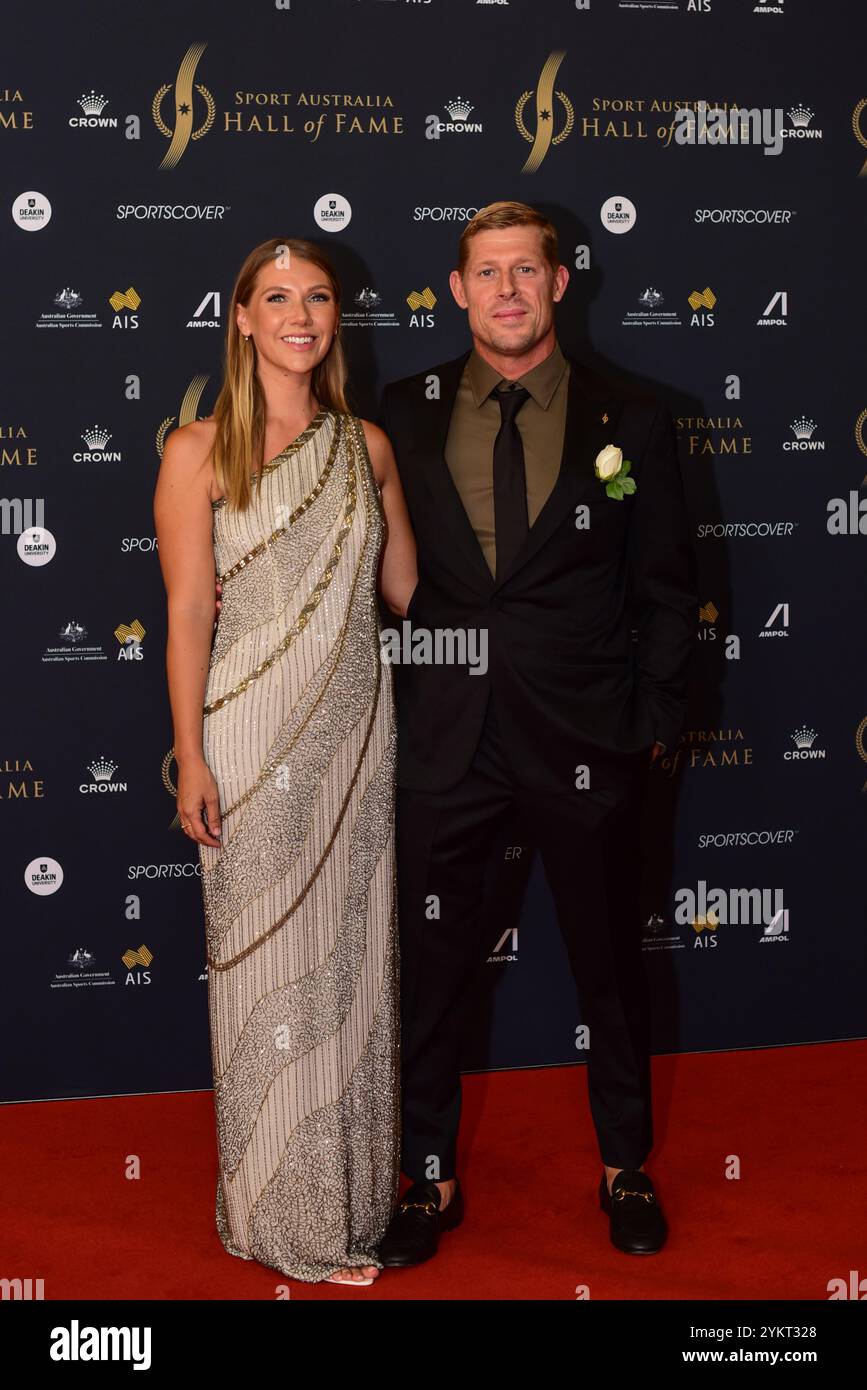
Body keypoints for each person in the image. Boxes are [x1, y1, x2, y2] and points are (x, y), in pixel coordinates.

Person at [375, 201, 697, 1266]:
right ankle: (428, 1176)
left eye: (527, 269)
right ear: (456, 290)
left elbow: (665, 589)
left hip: (587, 738)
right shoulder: (402, 412)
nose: (507, 288)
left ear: (561, 283)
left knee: (610, 966)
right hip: (445, 740)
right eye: (486, 272)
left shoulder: (635, 419)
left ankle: (625, 1166)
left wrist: (649, 729)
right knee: (430, 971)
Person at [154, 237, 417, 1285]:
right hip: (250, 739)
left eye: (317, 298)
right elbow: (184, 615)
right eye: (279, 298)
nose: (301, 315)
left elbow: (401, 588)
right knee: (266, 964)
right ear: (243, 319)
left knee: (349, 966)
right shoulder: (197, 450)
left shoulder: (370, 447)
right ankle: (274, 1211)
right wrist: (190, 755)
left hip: (354, 733)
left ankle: (351, 1201)